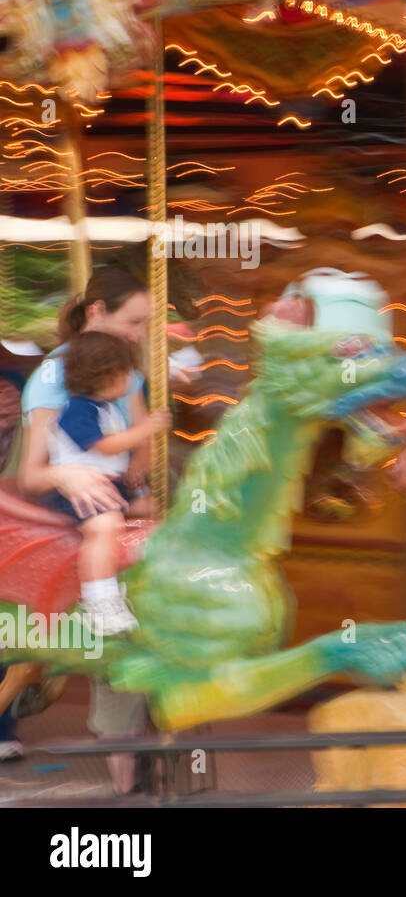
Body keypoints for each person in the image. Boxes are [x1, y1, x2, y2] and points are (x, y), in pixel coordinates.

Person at [11, 265, 154, 790]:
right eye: (133, 322)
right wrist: (67, 471)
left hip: (114, 496)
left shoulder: (127, 372)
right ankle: (116, 741)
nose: (140, 336)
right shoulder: (54, 377)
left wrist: (141, 485)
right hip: (61, 505)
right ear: (97, 312)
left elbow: (140, 444)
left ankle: (135, 738)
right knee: (112, 590)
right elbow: (31, 472)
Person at [37, 331, 171, 633]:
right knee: (104, 527)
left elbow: (113, 453)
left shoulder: (106, 408)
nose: (130, 379)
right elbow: (103, 446)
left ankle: (138, 584)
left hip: (110, 486)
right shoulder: (78, 410)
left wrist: (133, 467)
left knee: (153, 509)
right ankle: (98, 600)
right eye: (126, 373)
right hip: (81, 492)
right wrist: (147, 428)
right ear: (105, 375)